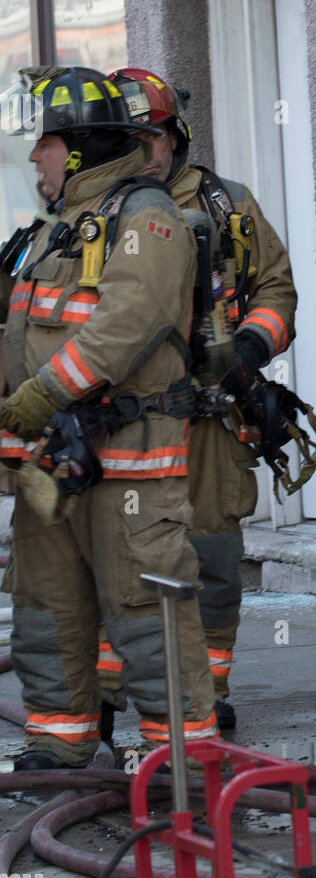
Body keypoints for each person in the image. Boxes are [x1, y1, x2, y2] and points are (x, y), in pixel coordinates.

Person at [0, 66, 216, 769]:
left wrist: (42, 397)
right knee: (46, 604)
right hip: (53, 468)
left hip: (131, 464)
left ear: (85, 147)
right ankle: (59, 745)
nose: (35, 155)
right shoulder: (52, 230)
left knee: (145, 612)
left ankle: (178, 763)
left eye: (47, 142)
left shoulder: (147, 219)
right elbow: (20, 341)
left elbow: (130, 321)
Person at [98, 68, 298, 733]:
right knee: (121, 556)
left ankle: (207, 691)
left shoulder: (227, 205)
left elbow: (276, 290)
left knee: (211, 561)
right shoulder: (96, 213)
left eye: (149, 137)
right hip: (125, 422)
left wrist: (247, 350)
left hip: (212, 422)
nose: (140, 150)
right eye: (125, 139)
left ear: (175, 137)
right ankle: (105, 691)